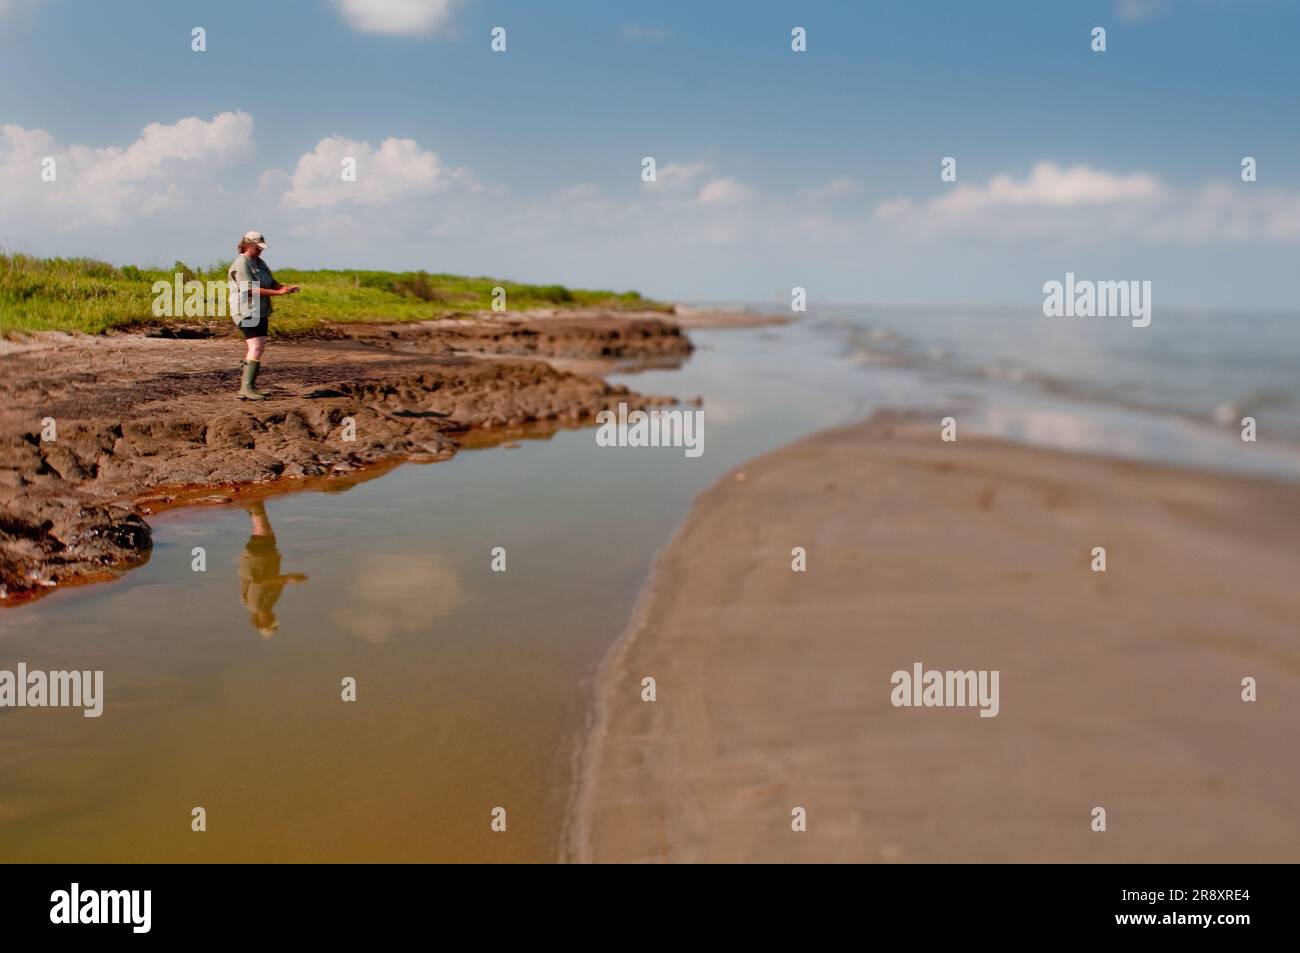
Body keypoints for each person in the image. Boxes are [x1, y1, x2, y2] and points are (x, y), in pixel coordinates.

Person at [227, 230, 300, 400]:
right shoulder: (241, 263)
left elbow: (272, 282)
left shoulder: (259, 262)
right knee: (256, 347)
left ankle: (248, 387)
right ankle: (246, 388)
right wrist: (279, 294)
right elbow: (250, 289)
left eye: (261, 247)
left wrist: (284, 288)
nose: (261, 250)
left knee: (258, 348)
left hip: (260, 310)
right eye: (258, 247)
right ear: (248, 245)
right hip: (246, 310)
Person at [238, 500, 308, 638]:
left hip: (256, 563)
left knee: (262, 530)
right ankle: (252, 505)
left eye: (267, 621)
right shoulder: (268, 605)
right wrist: (288, 579)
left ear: (258, 621)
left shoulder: (254, 606)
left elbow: (258, 582)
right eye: (271, 620)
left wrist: (289, 579)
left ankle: (254, 504)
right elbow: (274, 582)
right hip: (266, 561)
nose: (270, 618)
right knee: (264, 530)